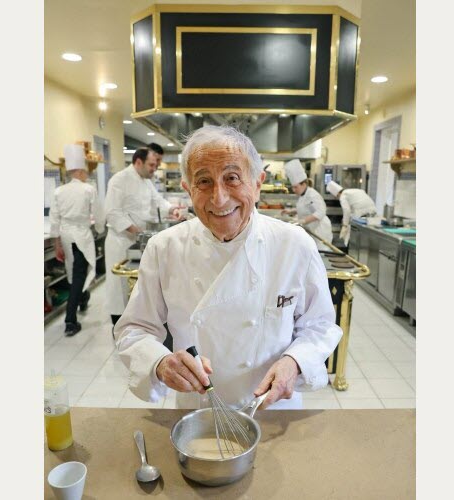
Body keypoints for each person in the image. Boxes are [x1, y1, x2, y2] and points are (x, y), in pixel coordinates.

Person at [115, 125, 342, 411]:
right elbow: (134, 329)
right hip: (198, 410)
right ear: (188, 189)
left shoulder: (295, 245)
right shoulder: (164, 248)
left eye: (232, 178)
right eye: (204, 181)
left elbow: (320, 325)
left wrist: (294, 362)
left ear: (257, 184)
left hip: (272, 408)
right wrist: (159, 362)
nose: (219, 198)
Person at [104, 146, 183, 325]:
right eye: (151, 165)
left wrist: (173, 209)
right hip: (121, 241)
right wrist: (138, 231)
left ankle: (137, 322)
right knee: (118, 288)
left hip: (138, 241)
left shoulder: (146, 180)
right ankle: (117, 323)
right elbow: (113, 212)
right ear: (138, 162)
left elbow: (158, 201)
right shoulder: (119, 180)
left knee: (139, 286)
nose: (155, 168)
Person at [49, 144, 105, 336]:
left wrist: (56, 244)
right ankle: (70, 321)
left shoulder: (58, 191)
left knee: (74, 273)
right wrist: (99, 229)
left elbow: (54, 219)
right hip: (82, 235)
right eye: (85, 172)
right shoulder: (88, 189)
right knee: (80, 274)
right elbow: (98, 214)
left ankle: (83, 297)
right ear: (80, 171)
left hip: (66, 236)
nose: (86, 175)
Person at [282, 159, 333, 248]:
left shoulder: (312, 195)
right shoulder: (303, 195)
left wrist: (303, 221)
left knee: (320, 252)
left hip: (320, 231)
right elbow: (305, 208)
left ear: (304, 184)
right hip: (311, 230)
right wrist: (290, 211)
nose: (294, 190)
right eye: (292, 187)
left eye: (295, 187)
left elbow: (320, 212)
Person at [327, 181, 377, 246]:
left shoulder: (343, 196)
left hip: (361, 215)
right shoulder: (355, 190)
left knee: (350, 232)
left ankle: (349, 247)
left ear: (337, 194)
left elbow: (347, 211)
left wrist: (345, 225)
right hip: (373, 213)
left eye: (336, 196)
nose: (337, 198)